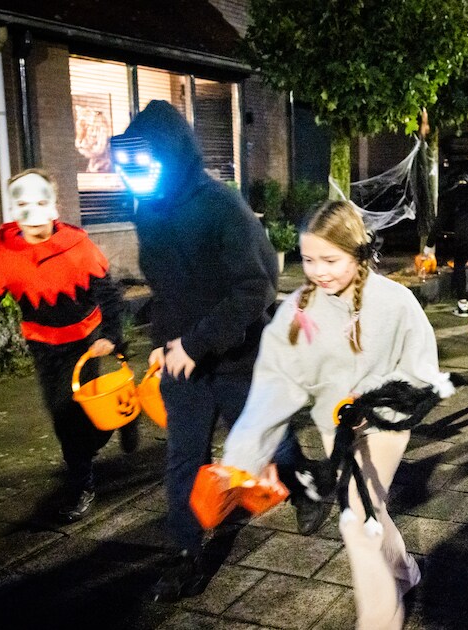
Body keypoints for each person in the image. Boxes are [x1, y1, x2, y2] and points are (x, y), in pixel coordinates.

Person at [110, 100, 319, 602]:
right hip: (183, 366)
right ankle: (185, 555)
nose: (136, 179)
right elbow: (170, 288)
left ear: (172, 155)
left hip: (234, 357)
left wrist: (197, 342)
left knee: (261, 436)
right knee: (184, 459)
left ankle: (307, 479)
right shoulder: (149, 209)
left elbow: (255, 288)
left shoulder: (221, 207)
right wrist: (165, 345)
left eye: (145, 166)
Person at [219, 200, 454, 629]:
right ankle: (404, 572)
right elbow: (275, 383)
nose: (319, 271)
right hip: (335, 430)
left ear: (358, 253)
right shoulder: (297, 313)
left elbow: (423, 371)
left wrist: (373, 403)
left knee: (356, 519)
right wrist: (242, 458)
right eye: (309, 259)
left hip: (384, 428)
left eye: (331, 259)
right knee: (374, 510)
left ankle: (380, 620)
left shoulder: (396, 303)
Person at [0, 169, 129, 523]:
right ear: (12, 209)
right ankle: (109, 424)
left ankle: (81, 482)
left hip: (83, 344)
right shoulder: (5, 256)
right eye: (22, 203)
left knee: (73, 417)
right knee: (62, 416)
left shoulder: (77, 247)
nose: (32, 211)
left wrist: (109, 335)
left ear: (54, 205)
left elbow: (109, 296)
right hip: (43, 347)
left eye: (40, 201)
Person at [423, 171, 468, 317]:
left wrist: (429, 244)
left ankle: (462, 305)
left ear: (455, 182)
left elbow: (440, 220)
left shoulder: (451, 193)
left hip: (466, 225)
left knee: (460, 263)